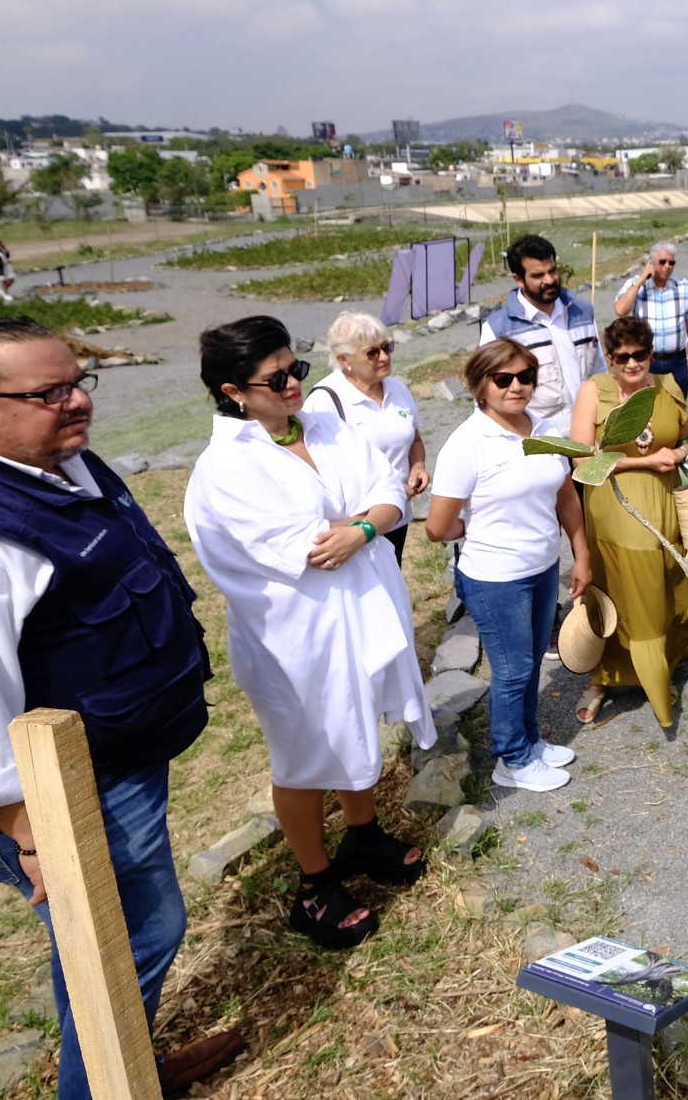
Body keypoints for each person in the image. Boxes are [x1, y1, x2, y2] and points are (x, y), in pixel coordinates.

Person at [0, 316, 241, 1099]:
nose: (77, 401)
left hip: (111, 764)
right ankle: (106, 1082)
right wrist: (33, 833)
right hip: (54, 802)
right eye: (48, 391)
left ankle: (123, 1066)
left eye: (78, 380)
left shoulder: (48, 461)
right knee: (129, 940)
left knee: (110, 948)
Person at [184, 316, 434, 951]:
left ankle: (362, 831)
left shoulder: (323, 425)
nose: (295, 384)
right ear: (232, 390)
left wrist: (362, 528)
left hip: (360, 607)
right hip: (293, 635)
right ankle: (314, 881)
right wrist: (356, 526)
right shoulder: (226, 468)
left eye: (296, 368)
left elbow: (387, 493)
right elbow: (303, 546)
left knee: (356, 722)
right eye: (276, 378)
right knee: (302, 753)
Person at [425, 339, 592, 793]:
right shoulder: (467, 444)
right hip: (496, 578)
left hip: (540, 569)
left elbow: (565, 495)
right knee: (513, 667)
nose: (517, 386)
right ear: (480, 385)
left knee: (532, 659)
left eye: (526, 377)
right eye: (504, 378)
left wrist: (582, 552)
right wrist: (478, 528)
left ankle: (529, 741)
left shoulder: (543, 427)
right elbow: (437, 527)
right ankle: (512, 759)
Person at [569, 316, 688, 729]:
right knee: (624, 586)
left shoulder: (666, 386)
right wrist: (648, 460)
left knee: (662, 582)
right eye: (622, 356)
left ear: (651, 353)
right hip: (616, 506)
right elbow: (579, 457)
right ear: (609, 357)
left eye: (640, 354)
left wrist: (681, 454)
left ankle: (664, 658)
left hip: (664, 504)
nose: (631, 364)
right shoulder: (595, 391)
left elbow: (686, 437)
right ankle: (617, 676)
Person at [303, 312, 429, 562]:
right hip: (357, 520)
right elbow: (318, 469)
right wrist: (391, 489)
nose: (384, 357)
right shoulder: (324, 401)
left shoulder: (397, 388)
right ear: (343, 359)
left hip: (397, 515)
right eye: (372, 352)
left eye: (387, 347)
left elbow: (413, 438)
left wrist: (418, 465)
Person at [480, 234, 605, 425]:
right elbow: (485, 397)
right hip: (542, 445)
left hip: (591, 437)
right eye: (538, 275)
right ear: (518, 279)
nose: (549, 280)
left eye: (552, 271)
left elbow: (600, 372)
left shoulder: (583, 312)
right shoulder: (498, 329)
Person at [613, 239, 688, 396]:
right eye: (662, 262)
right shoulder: (636, 285)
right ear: (651, 262)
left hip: (677, 361)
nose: (667, 266)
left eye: (671, 263)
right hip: (647, 360)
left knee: (678, 407)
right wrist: (641, 279)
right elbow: (620, 310)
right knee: (648, 409)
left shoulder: (683, 285)